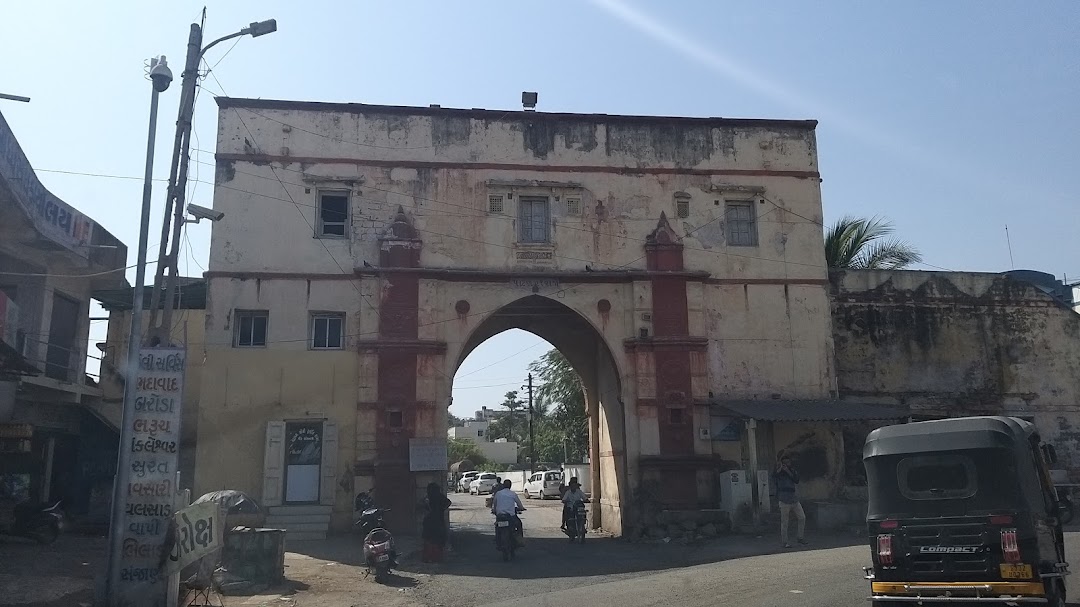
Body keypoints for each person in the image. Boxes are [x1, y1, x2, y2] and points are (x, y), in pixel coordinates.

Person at [776, 453, 807, 548]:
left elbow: (796, 480)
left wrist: (788, 471)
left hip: (794, 499)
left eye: (788, 462)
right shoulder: (779, 472)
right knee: (784, 522)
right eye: (784, 463)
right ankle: (785, 542)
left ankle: (800, 537)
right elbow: (774, 477)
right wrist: (780, 469)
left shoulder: (792, 471)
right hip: (784, 500)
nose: (786, 464)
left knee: (802, 517)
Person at [421, 482, 451, 563]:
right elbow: (448, 503)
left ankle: (429, 558)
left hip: (430, 521)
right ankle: (436, 558)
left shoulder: (428, 497)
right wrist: (441, 509)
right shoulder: (439, 496)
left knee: (429, 540)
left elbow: (423, 506)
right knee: (438, 540)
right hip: (438, 521)